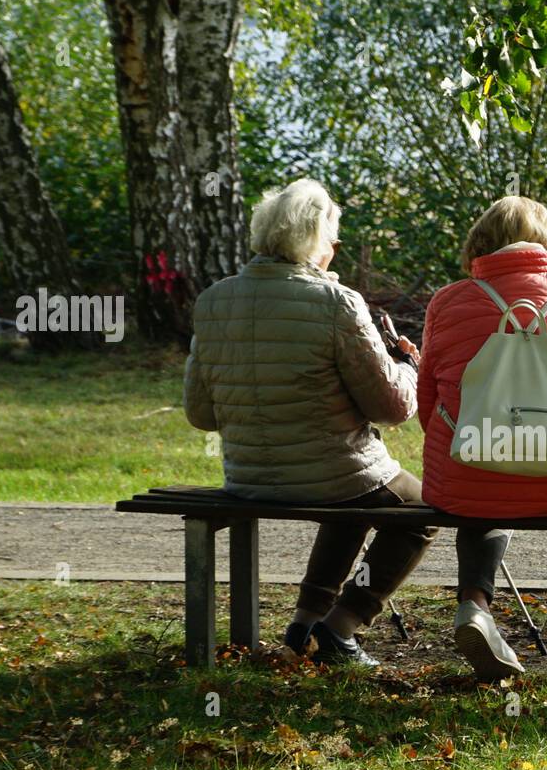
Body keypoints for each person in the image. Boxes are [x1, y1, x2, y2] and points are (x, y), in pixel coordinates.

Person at [183, 178, 437, 667]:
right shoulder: (336, 303)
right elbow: (391, 408)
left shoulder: (214, 301)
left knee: (357, 487)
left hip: (248, 478)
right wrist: (409, 367)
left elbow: (201, 414)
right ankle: (340, 627)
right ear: (316, 241)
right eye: (333, 238)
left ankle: (305, 624)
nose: (336, 248)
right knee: (418, 507)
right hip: (333, 476)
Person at [418, 196, 547, 680]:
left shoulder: (447, 302)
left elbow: (429, 407)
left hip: (466, 475)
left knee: (481, 477)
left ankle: (474, 605)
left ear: (481, 244)